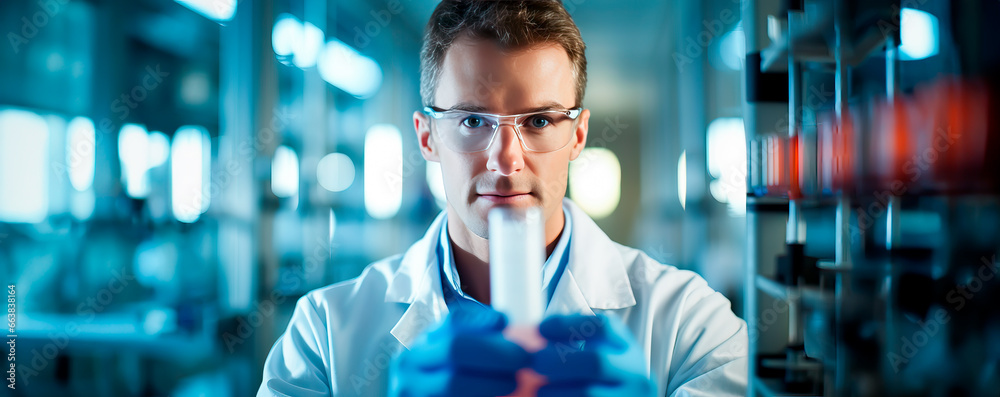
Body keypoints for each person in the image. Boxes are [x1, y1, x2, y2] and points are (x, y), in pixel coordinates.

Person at [258, 1, 748, 396]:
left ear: (578, 136)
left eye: (539, 121)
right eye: (473, 120)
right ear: (427, 136)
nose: (506, 159)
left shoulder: (692, 325)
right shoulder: (323, 333)